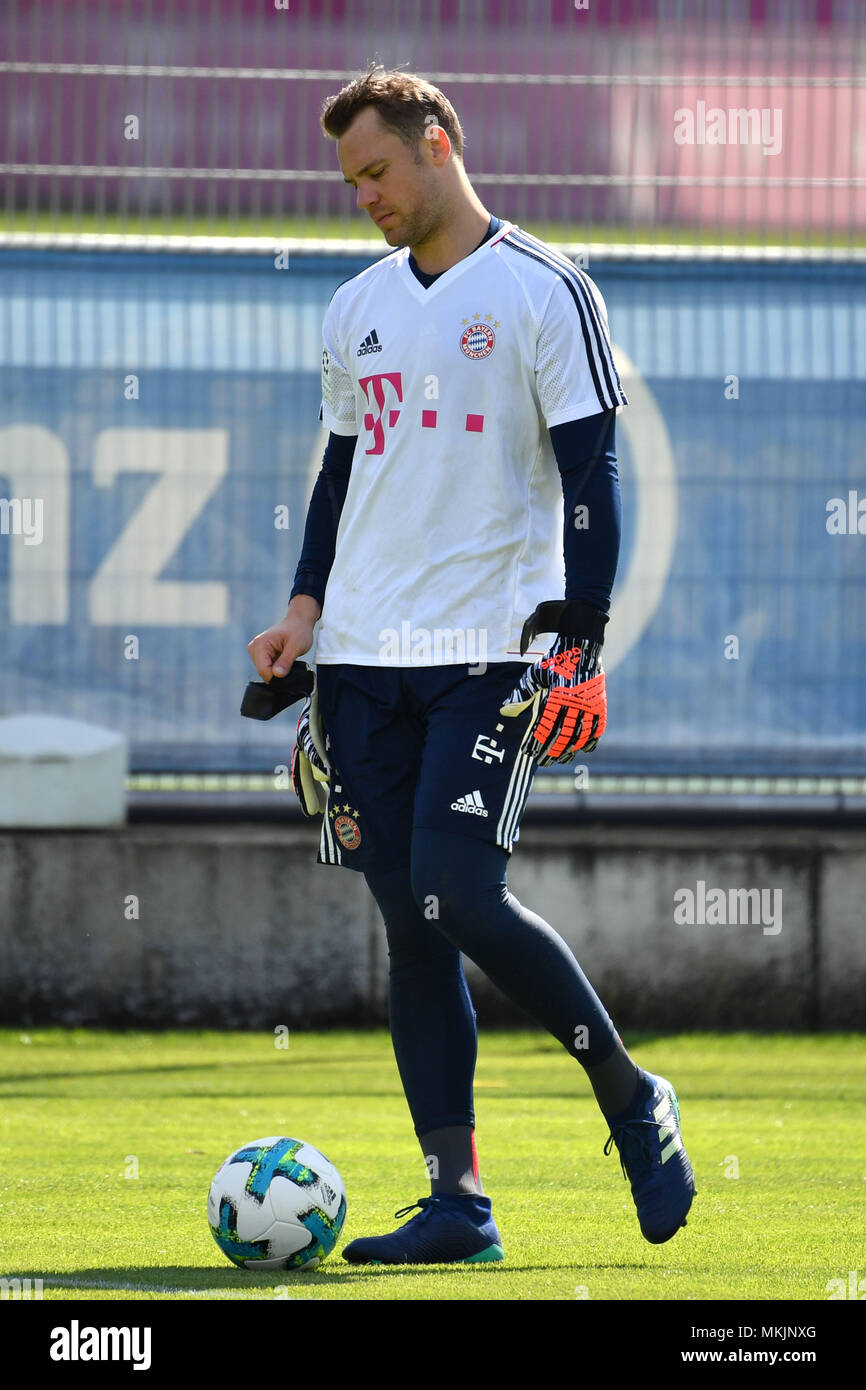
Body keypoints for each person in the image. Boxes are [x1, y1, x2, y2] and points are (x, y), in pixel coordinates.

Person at [247, 65, 695, 1265]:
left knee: (456, 889)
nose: (365, 198)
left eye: (377, 172)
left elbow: (593, 475)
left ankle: (628, 1096)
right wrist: (303, 610)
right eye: (350, 183)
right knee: (411, 926)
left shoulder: (545, 288)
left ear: (438, 141)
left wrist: (580, 643)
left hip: (490, 652)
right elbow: (340, 475)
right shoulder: (355, 305)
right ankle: (458, 1202)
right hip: (358, 662)